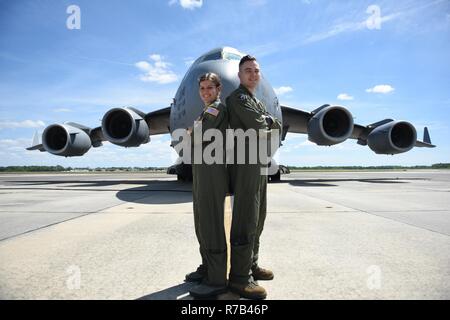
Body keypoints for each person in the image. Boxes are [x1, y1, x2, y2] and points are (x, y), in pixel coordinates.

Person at [226, 55, 281, 300]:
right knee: (246, 218)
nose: (253, 74)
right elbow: (262, 126)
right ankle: (239, 278)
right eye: (247, 70)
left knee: (258, 218)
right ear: (240, 75)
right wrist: (268, 121)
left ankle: (251, 265)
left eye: (256, 70)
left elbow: (274, 125)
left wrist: (268, 121)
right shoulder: (237, 98)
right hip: (246, 164)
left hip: (260, 164)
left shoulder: (254, 101)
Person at [186, 73, 229, 298]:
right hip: (202, 172)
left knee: (210, 223)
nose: (205, 92)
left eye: (210, 88)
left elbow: (195, 136)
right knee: (201, 222)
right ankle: (207, 267)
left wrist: (191, 133)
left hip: (212, 173)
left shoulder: (216, 109)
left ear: (218, 89)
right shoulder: (206, 111)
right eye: (202, 88)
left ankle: (216, 279)